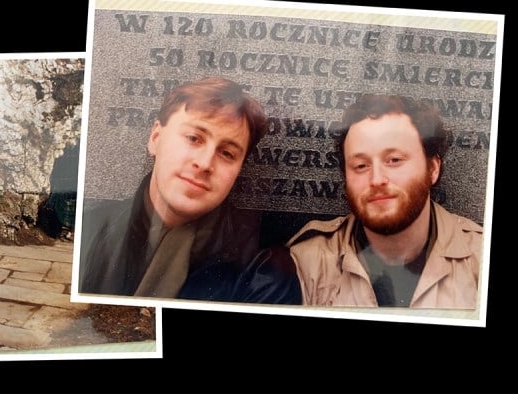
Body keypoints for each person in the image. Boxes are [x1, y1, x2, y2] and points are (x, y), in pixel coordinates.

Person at [78, 77, 301, 303]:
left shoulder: (264, 274)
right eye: (194, 138)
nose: (205, 163)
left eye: (227, 153)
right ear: (156, 138)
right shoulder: (87, 231)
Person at [287, 94, 482, 308]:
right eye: (361, 166)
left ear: (433, 169)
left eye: (394, 160)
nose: (377, 179)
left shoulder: (481, 258)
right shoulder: (307, 263)